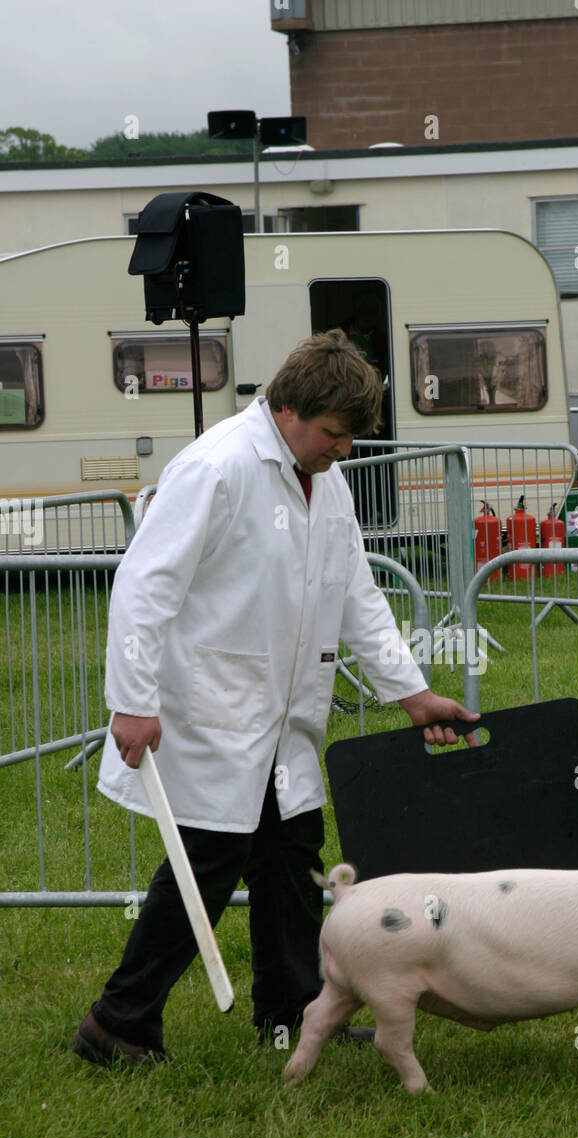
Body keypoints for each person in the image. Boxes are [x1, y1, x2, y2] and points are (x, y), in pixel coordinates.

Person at [72, 329, 478, 1068]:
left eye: (352, 437)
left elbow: (356, 592)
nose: (345, 449)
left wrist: (411, 693)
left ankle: (290, 1012)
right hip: (210, 715)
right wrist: (131, 701)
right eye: (335, 433)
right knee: (205, 865)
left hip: (283, 723)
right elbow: (143, 586)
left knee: (291, 858)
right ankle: (118, 1022)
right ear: (288, 408)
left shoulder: (327, 481)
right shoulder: (216, 466)